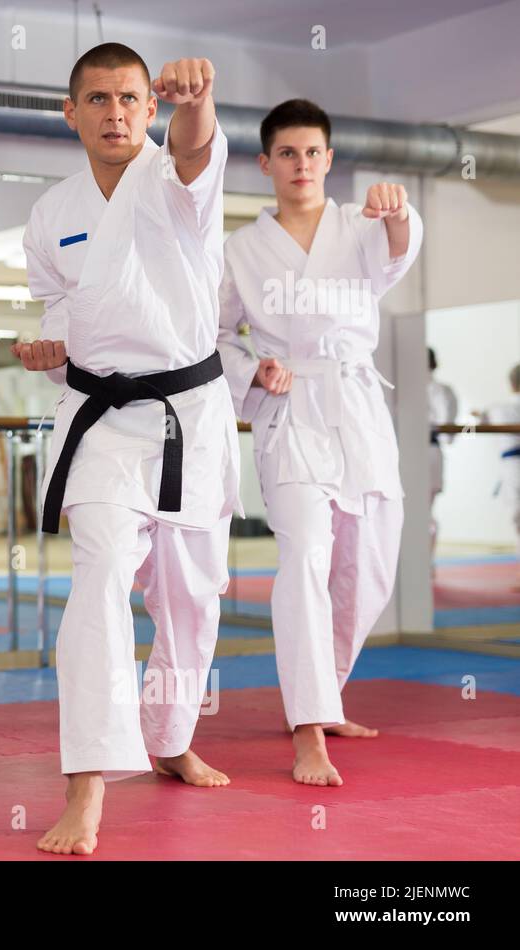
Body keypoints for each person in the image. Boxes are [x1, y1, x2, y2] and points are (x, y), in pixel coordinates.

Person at [15, 44, 239, 855]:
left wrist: (199, 99)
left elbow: (197, 149)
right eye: (99, 99)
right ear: (70, 112)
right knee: (100, 576)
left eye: (130, 99)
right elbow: (56, 308)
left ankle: (172, 735)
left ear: (151, 108)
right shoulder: (51, 212)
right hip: (101, 418)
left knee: (189, 596)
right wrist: (44, 344)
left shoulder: (177, 178)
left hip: (188, 413)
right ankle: (88, 783)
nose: (115, 113)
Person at [217, 98, 423, 786]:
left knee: (371, 561)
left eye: (312, 153)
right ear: (265, 164)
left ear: (329, 160)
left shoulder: (362, 227)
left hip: (358, 404)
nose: (301, 165)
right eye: (287, 154)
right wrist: (252, 368)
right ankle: (308, 730)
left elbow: (399, 252)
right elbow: (214, 338)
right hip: (291, 407)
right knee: (305, 555)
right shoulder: (241, 249)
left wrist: (398, 213)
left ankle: (322, 691)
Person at [477, 364, 520, 590]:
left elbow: (480, 423)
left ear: (511, 384)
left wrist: (479, 415)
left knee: (518, 519)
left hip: (513, 467)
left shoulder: (498, 409)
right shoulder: (499, 408)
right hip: (511, 465)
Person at [427, 347, 459, 565]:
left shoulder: (439, 389)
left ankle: (424, 563)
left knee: (423, 511)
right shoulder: (441, 389)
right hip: (427, 451)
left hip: (426, 451)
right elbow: (448, 432)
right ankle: (424, 563)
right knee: (424, 510)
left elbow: (447, 429)